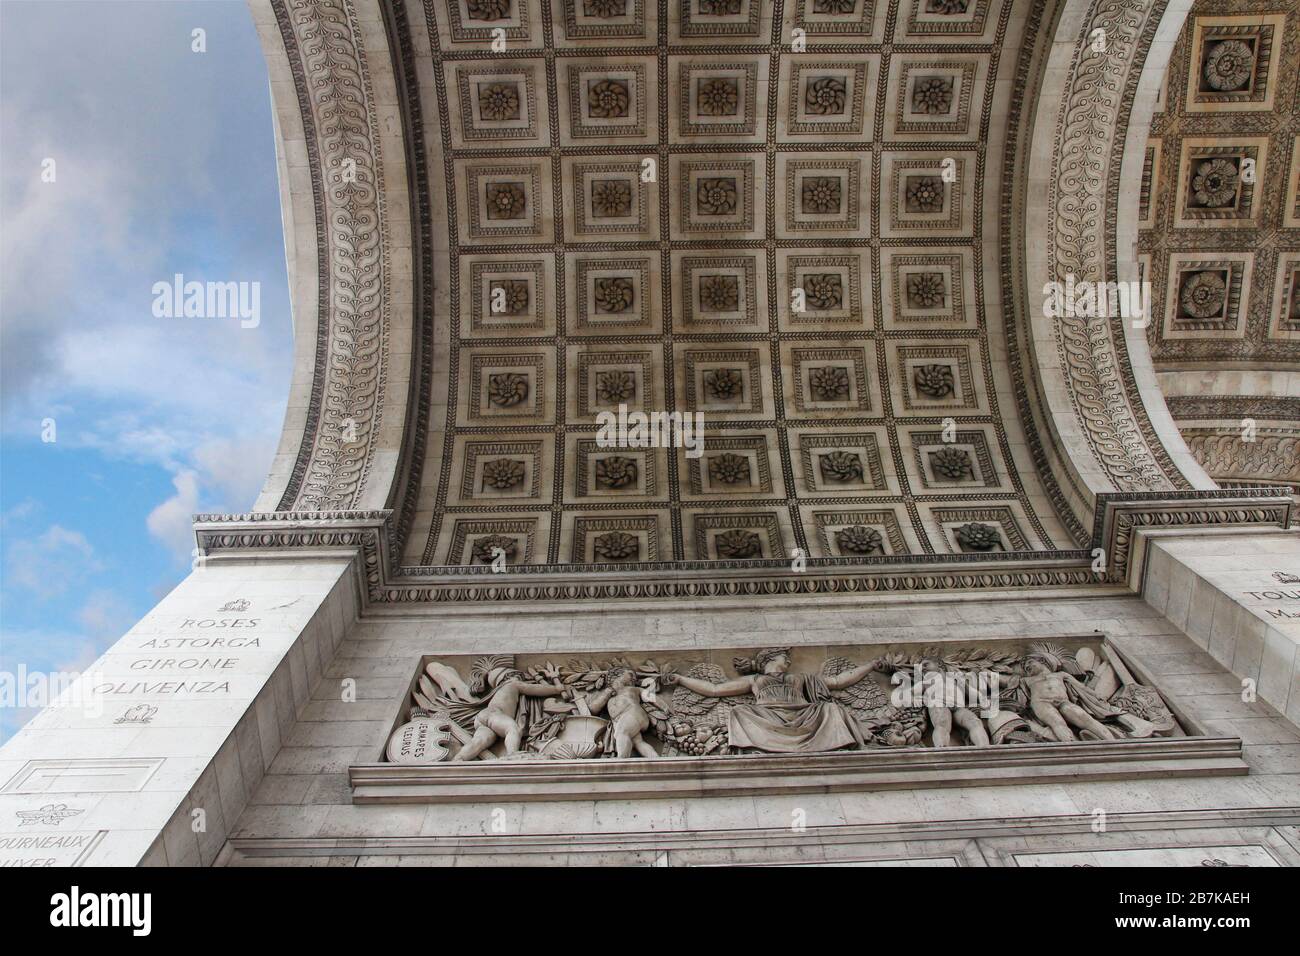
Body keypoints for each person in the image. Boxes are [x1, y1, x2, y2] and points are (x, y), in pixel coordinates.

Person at [662, 648, 878, 754]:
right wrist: (681, 679)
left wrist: (871, 665)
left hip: (804, 714)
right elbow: (714, 690)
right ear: (771, 658)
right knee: (739, 711)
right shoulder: (755, 680)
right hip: (767, 715)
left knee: (831, 708)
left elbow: (839, 681)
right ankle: (753, 748)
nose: (789, 660)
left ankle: (839, 743)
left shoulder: (802, 678)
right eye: (785, 656)